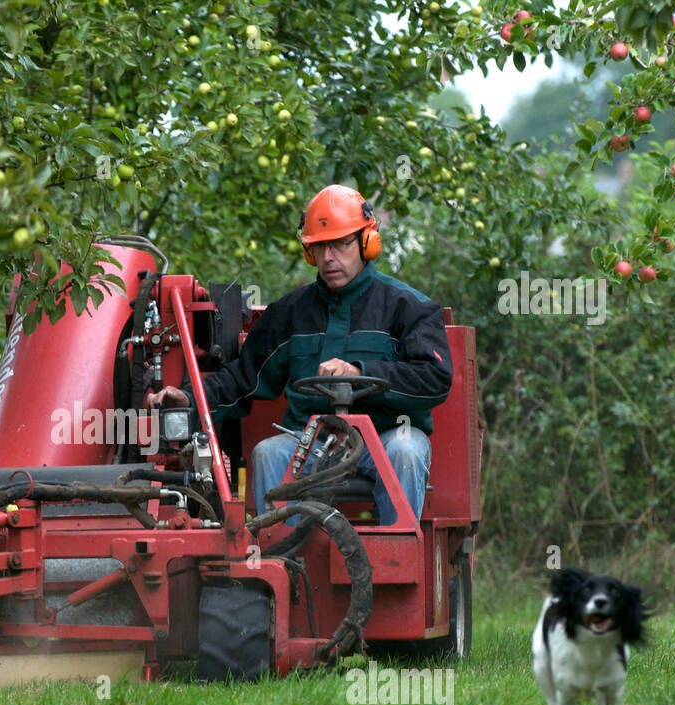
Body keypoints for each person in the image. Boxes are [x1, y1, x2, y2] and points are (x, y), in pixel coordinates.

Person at [145, 184, 453, 525]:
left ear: (368, 242)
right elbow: (242, 378)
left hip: (384, 439)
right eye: (318, 247)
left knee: (407, 450)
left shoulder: (409, 307)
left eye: (341, 243)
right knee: (267, 454)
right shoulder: (289, 314)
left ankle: (396, 563)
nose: (328, 257)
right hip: (310, 442)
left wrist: (359, 371)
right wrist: (187, 400)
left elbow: (435, 379)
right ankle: (280, 564)